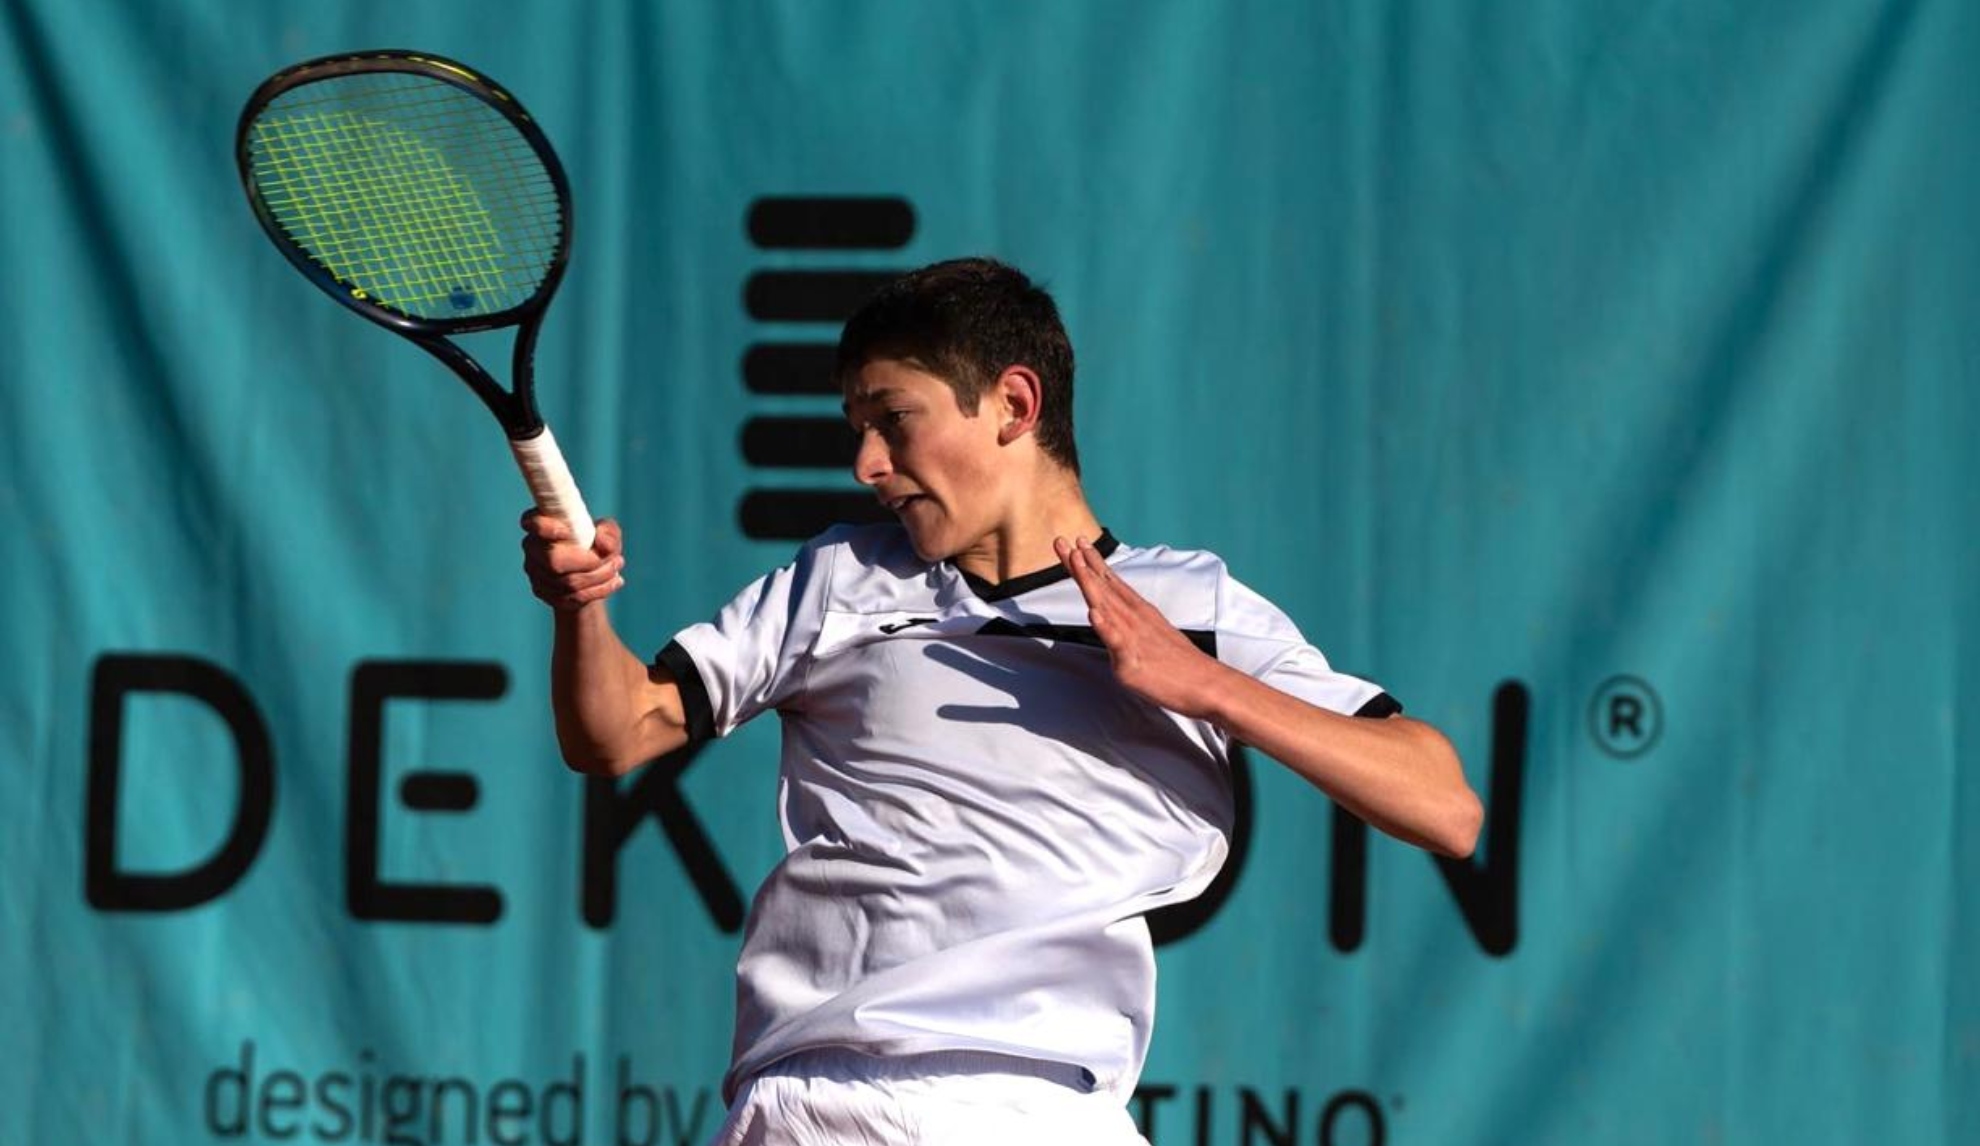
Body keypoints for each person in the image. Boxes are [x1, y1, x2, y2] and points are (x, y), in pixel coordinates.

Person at [520, 257, 1482, 1145]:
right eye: (856, 427)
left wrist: (1206, 686)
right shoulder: (837, 579)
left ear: (1014, 404)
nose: (867, 463)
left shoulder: (1189, 605)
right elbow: (616, 733)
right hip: (825, 1108)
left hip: (1049, 1113)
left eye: (894, 419)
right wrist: (580, 607)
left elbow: (1445, 805)